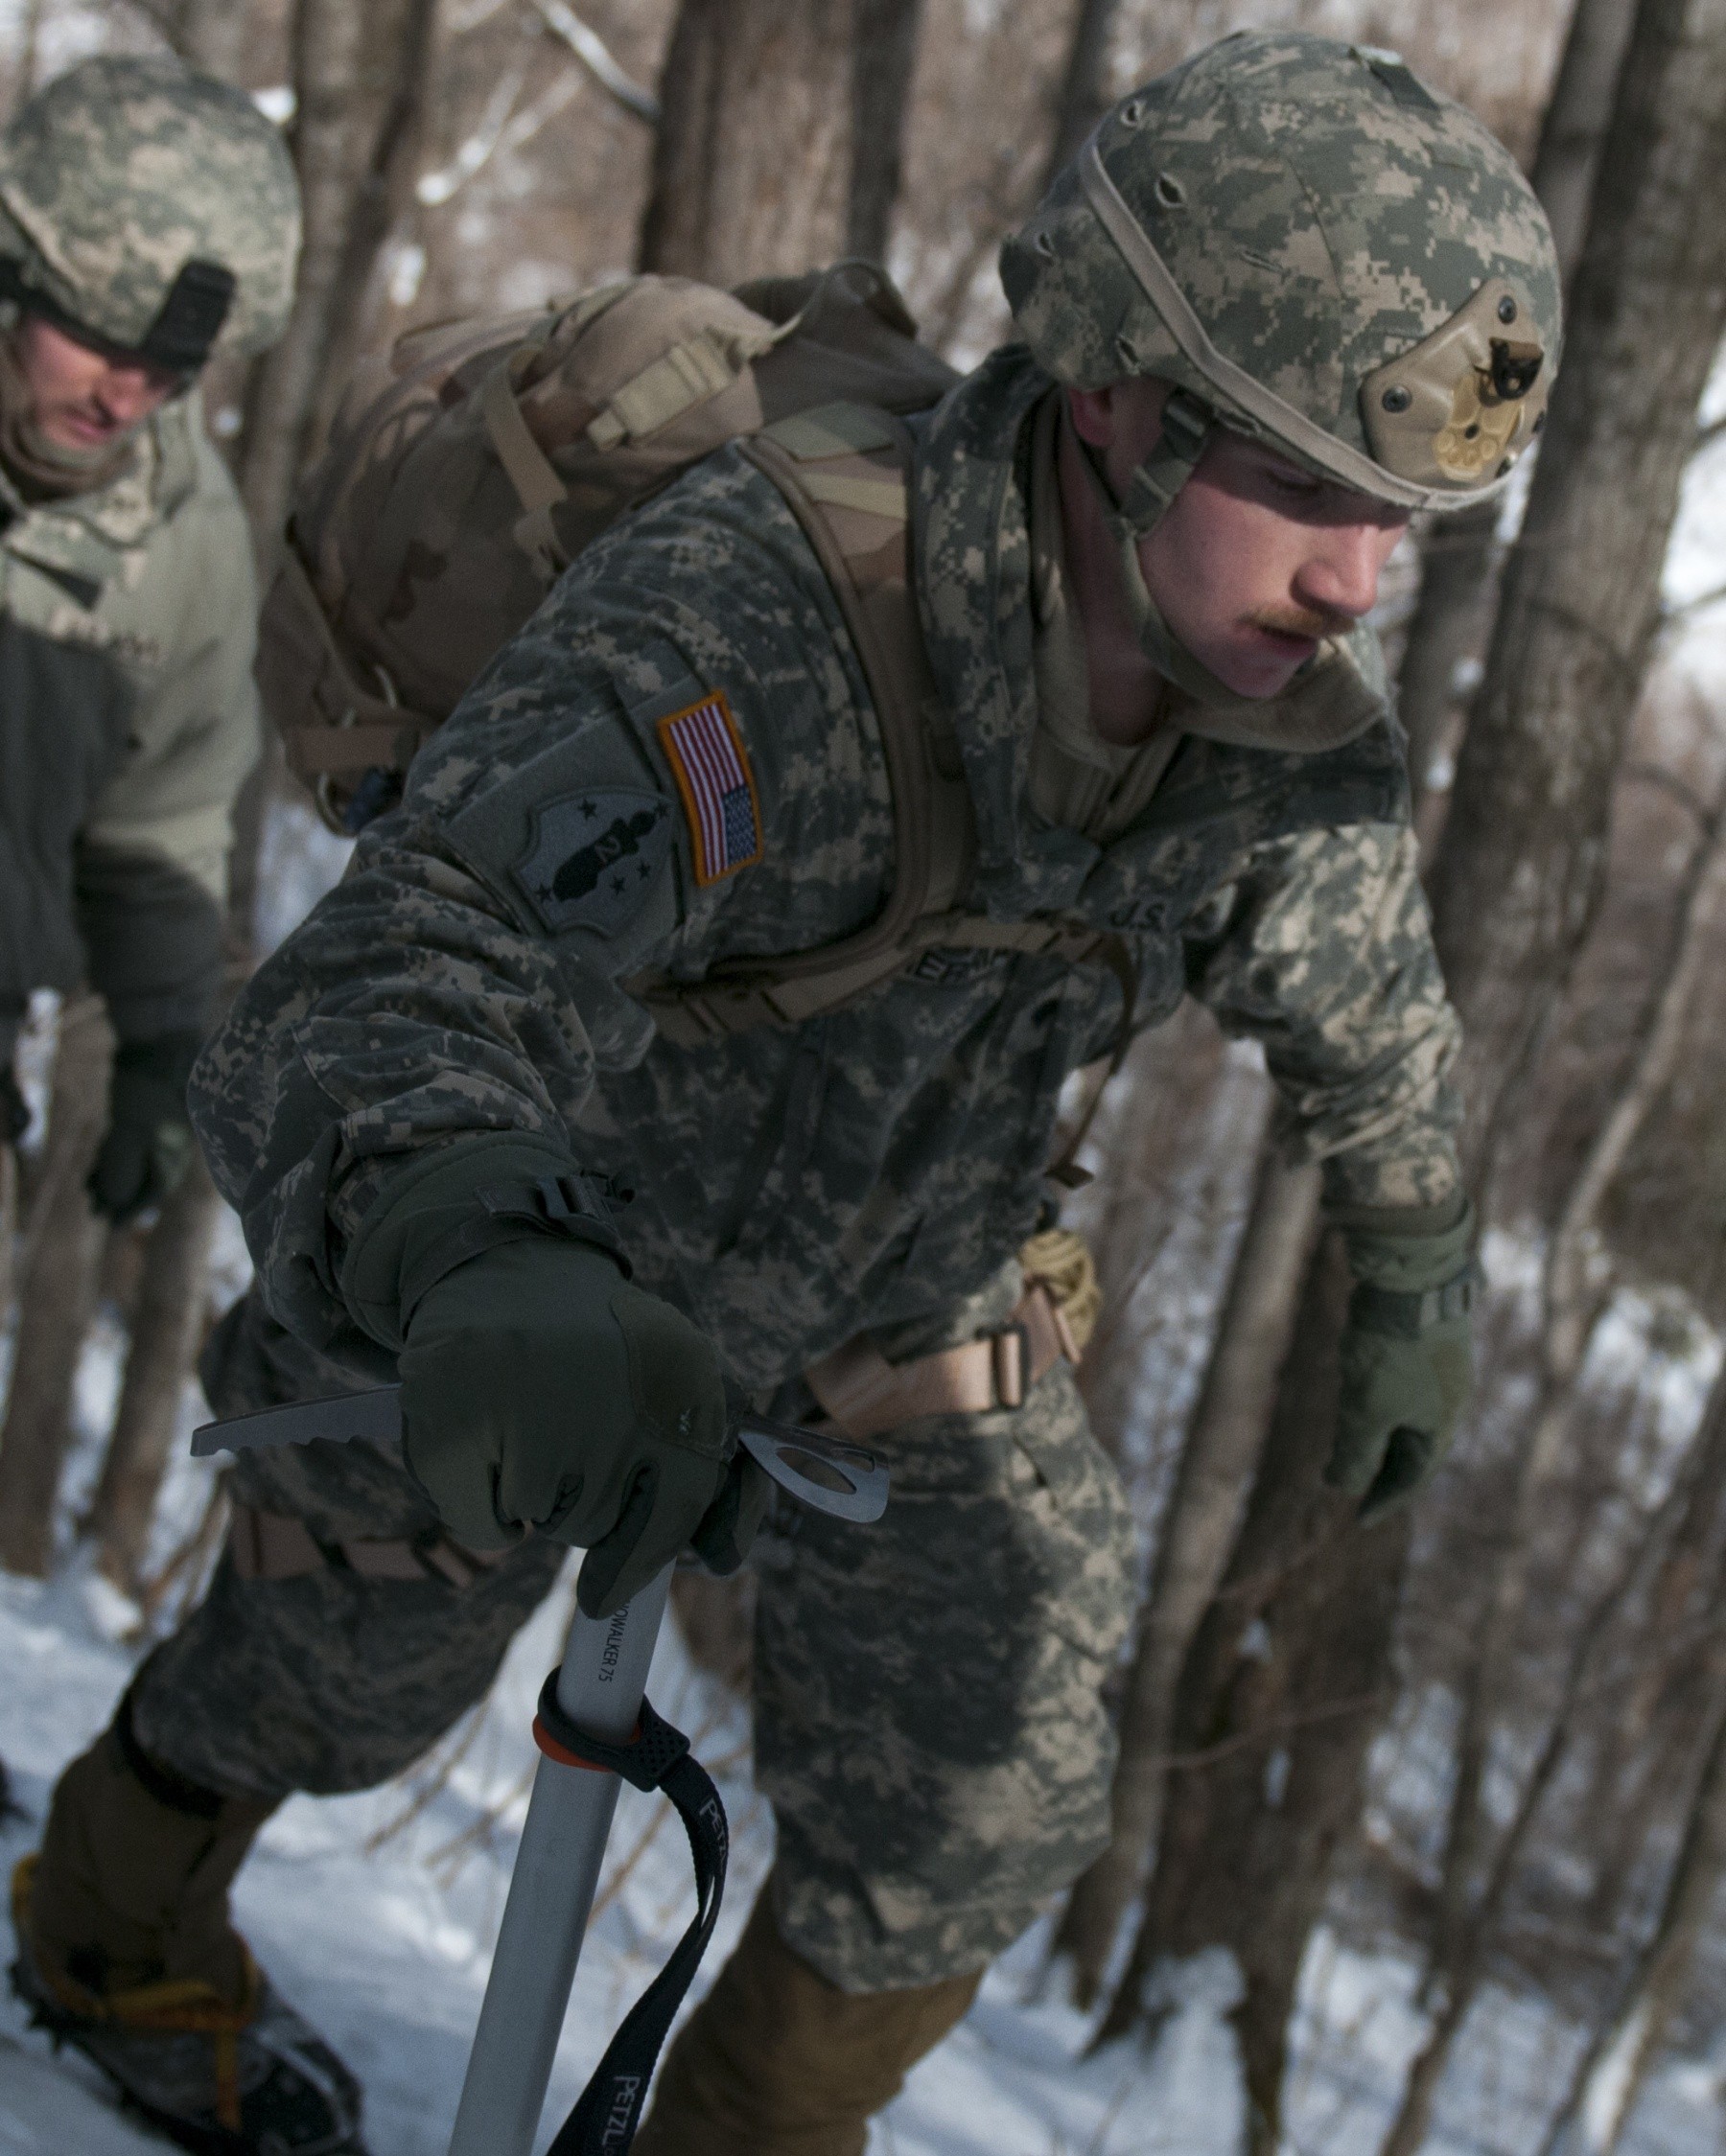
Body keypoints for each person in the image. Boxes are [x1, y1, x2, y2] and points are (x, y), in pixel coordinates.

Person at [16, 32, 1560, 2156]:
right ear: (1115, 393)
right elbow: (405, 960)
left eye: (1401, 514)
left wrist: (1412, 1240)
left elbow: (1354, 965)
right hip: (543, 1254)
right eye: (1308, 483)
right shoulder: (769, 617)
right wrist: (474, 1233)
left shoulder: (1278, 719)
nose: (1356, 574)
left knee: (988, 1771)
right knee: (333, 1667)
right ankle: (106, 1933)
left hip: (895, 1294)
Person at [0, 54, 298, 1221]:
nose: (125, 391)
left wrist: (164, 1051)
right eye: (100, 335)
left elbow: (162, 815)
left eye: (168, 368)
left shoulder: (188, 544)